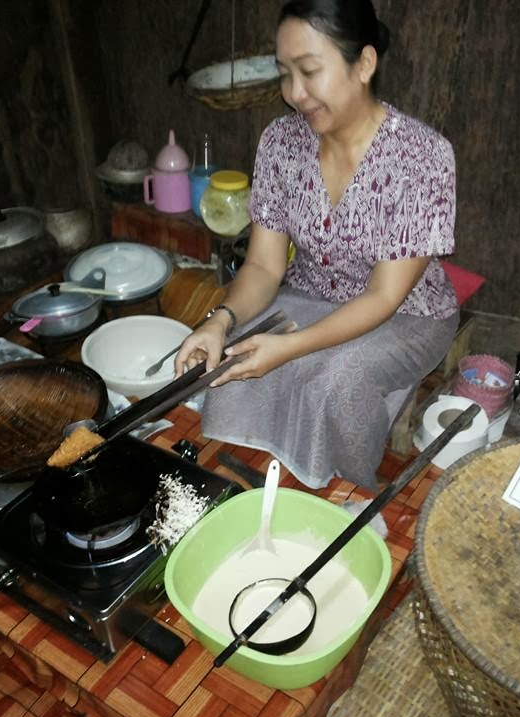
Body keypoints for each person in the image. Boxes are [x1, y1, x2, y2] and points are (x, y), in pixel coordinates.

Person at [175, 0, 459, 490]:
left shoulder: (422, 156)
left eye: (309, 71)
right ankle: (253, 485)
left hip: (408, 313)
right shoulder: (281, 142)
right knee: (233, 361)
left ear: (364, 64)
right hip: (309, 295)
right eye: (285, 74)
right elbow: (264, 268)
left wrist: (289, 348)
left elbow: (384, 296)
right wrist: (218, 321)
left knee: (338, 382)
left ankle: (345, 493)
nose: (294, 94)